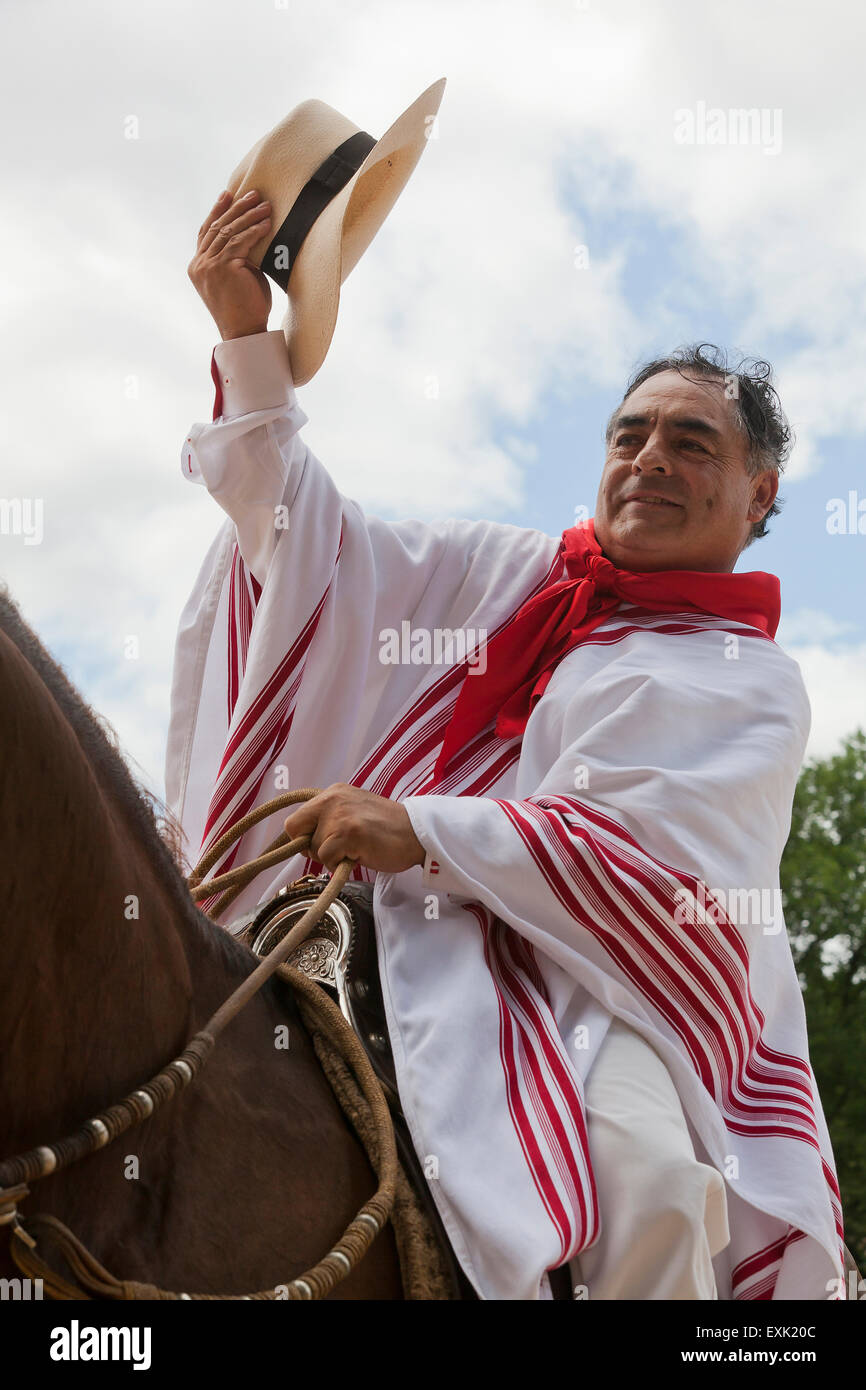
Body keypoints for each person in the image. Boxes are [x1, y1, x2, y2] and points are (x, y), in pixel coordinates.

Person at [164, 188, 845, 1300]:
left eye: (690, 443)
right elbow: (312, 548)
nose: (649, 458)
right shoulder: (509, 575)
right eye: (629, 435)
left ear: (757, 491)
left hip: (610, 986)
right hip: (420, 928)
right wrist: (246, 336)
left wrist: (421, 829)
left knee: (653, 1183)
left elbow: (661, 870)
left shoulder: (748, 675)